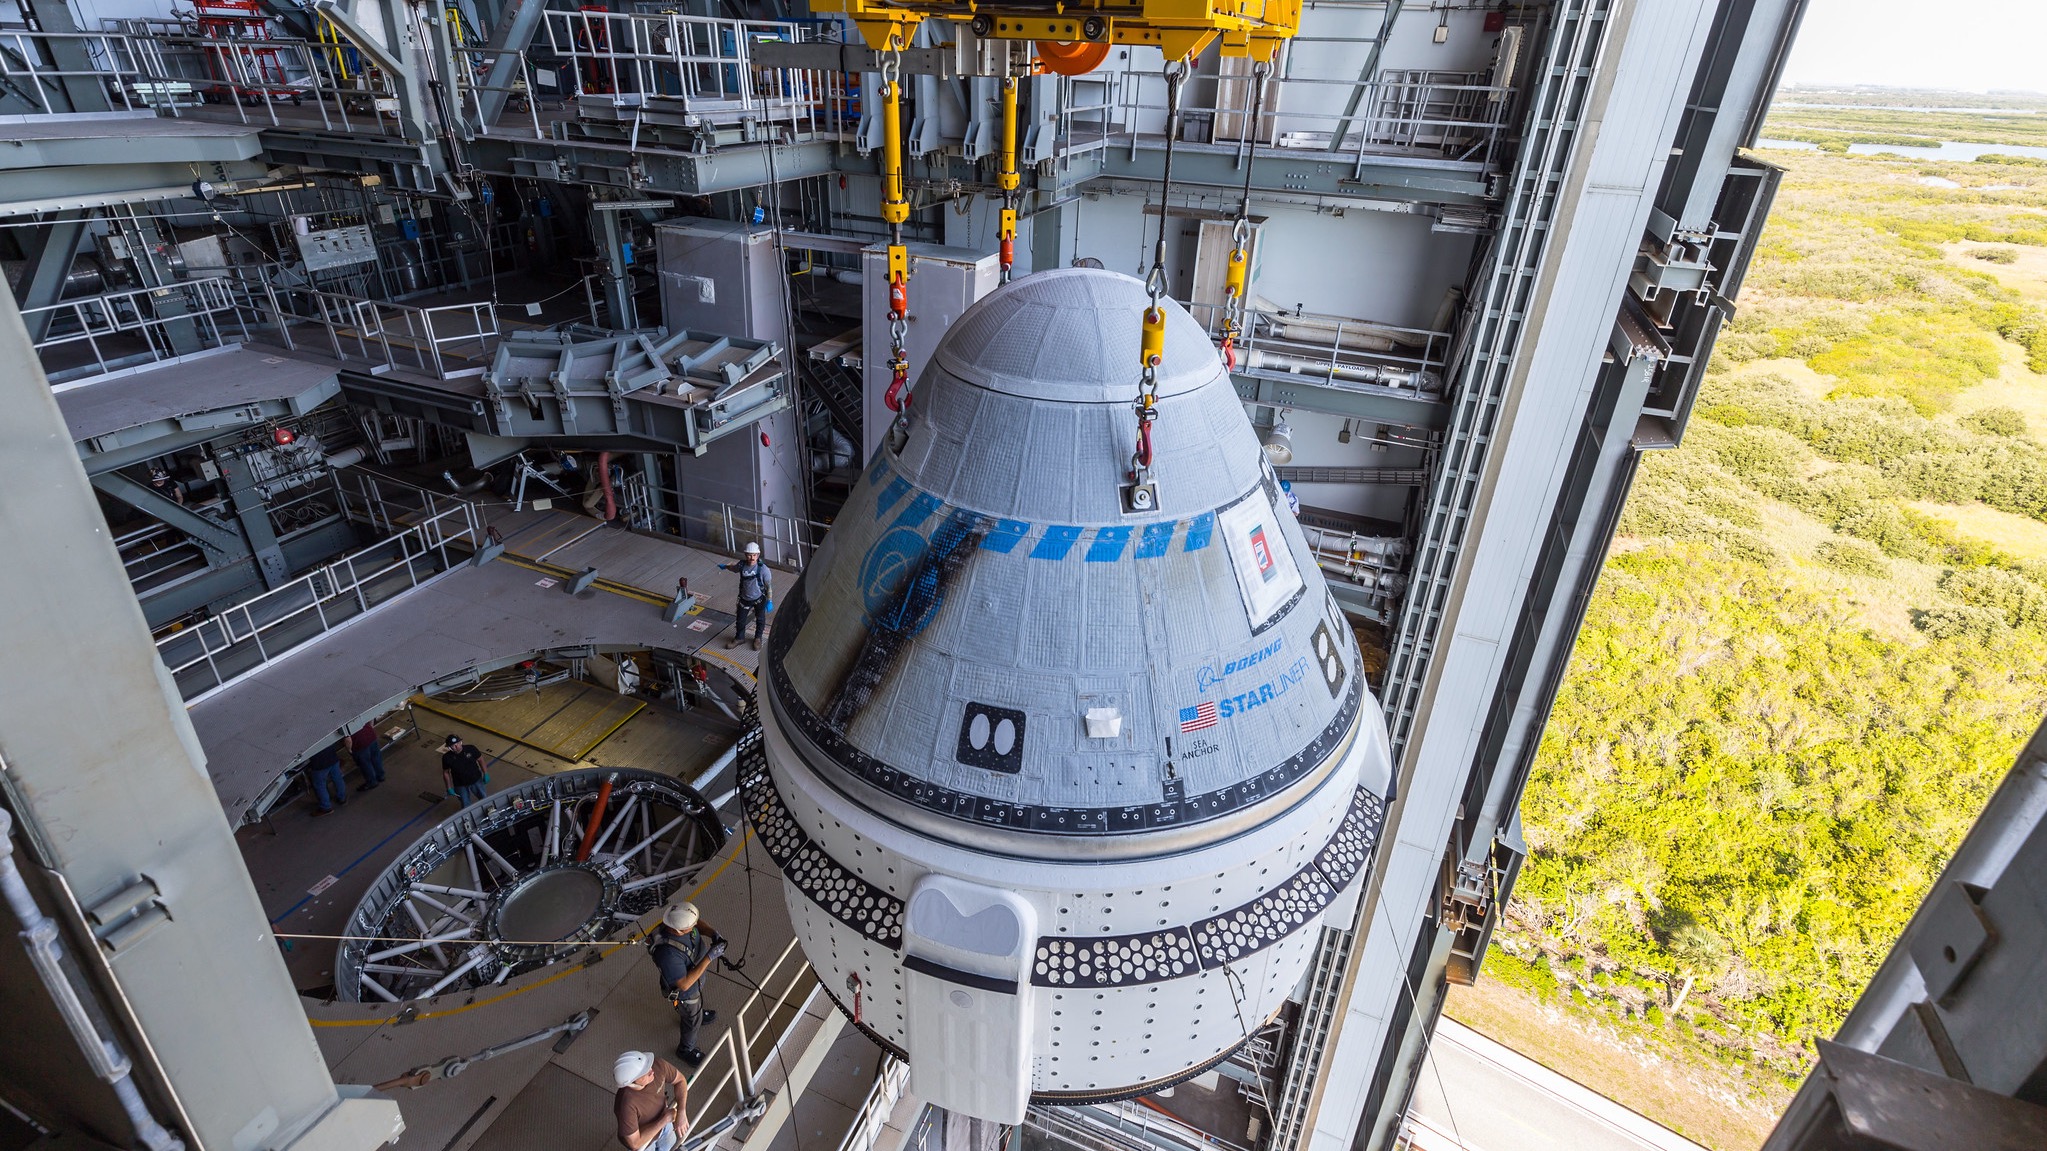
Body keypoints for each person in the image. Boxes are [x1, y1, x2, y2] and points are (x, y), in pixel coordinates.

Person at [648, 901, 726, 1066]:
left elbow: (698, 924)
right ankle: (686, 1050)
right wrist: (709, 957)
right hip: (686, 993)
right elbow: (683, 984)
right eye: (692, 925)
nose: (696, 925)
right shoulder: (668, 955)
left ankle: (697, 1013)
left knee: (695, 1010)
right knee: (691, 1019)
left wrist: (713, 933)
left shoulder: (679, 922)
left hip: (695, 979)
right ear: (678, 930)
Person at [612, 1051, 687, 1151]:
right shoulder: (625, 1104)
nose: (652, 1071)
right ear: (632, 1082)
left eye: (648, 1065)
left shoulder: (658, 1066)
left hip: (666, 1125)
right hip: (645, 1144)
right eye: (645, 1072)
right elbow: (635, 1143)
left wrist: (682, 1111)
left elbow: (680, 1080)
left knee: (670, 1146)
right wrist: (664, 1120)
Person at [718, 542, 772, 651]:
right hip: (744, 599)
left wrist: (769, 600)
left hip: (759, 599)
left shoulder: (763, 569)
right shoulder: (741, 566)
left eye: (754, 555)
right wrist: (726, 567)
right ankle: (739, 638)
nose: (752, 558)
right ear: (745, 555)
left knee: (760, 619)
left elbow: (768, 586)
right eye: (749, 555)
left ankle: (757, 638)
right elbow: (734, 568)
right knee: (740, 620)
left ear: (758, 555)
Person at [305, 738, 348, 816]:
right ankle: (342, 798)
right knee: (338, 778)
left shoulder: (302, 737)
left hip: (319, 764)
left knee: (319, 785)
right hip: (332, 757)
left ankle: (326, 807)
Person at [441, 735, 488, 805]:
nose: (456, 747)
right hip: (460, 785)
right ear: (449, 747)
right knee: (465, 803)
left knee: (484, 798)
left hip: (476, 780)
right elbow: (446, 773)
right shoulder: (447, 758)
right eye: (453, 745)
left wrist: (485, 773)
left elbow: (480, 760)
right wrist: (449, 787)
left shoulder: (471, 749)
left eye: (457, 744)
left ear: (461, 742)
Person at [347, 721, 385, 792]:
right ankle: (381, 776)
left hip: (359, 743)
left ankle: (372, 782)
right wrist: (370, 728)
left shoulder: (341, 720)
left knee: (365, 764)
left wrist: (349, 749)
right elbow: (370, 717)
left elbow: (348, 739)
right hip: (371, 736)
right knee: (376, 758)